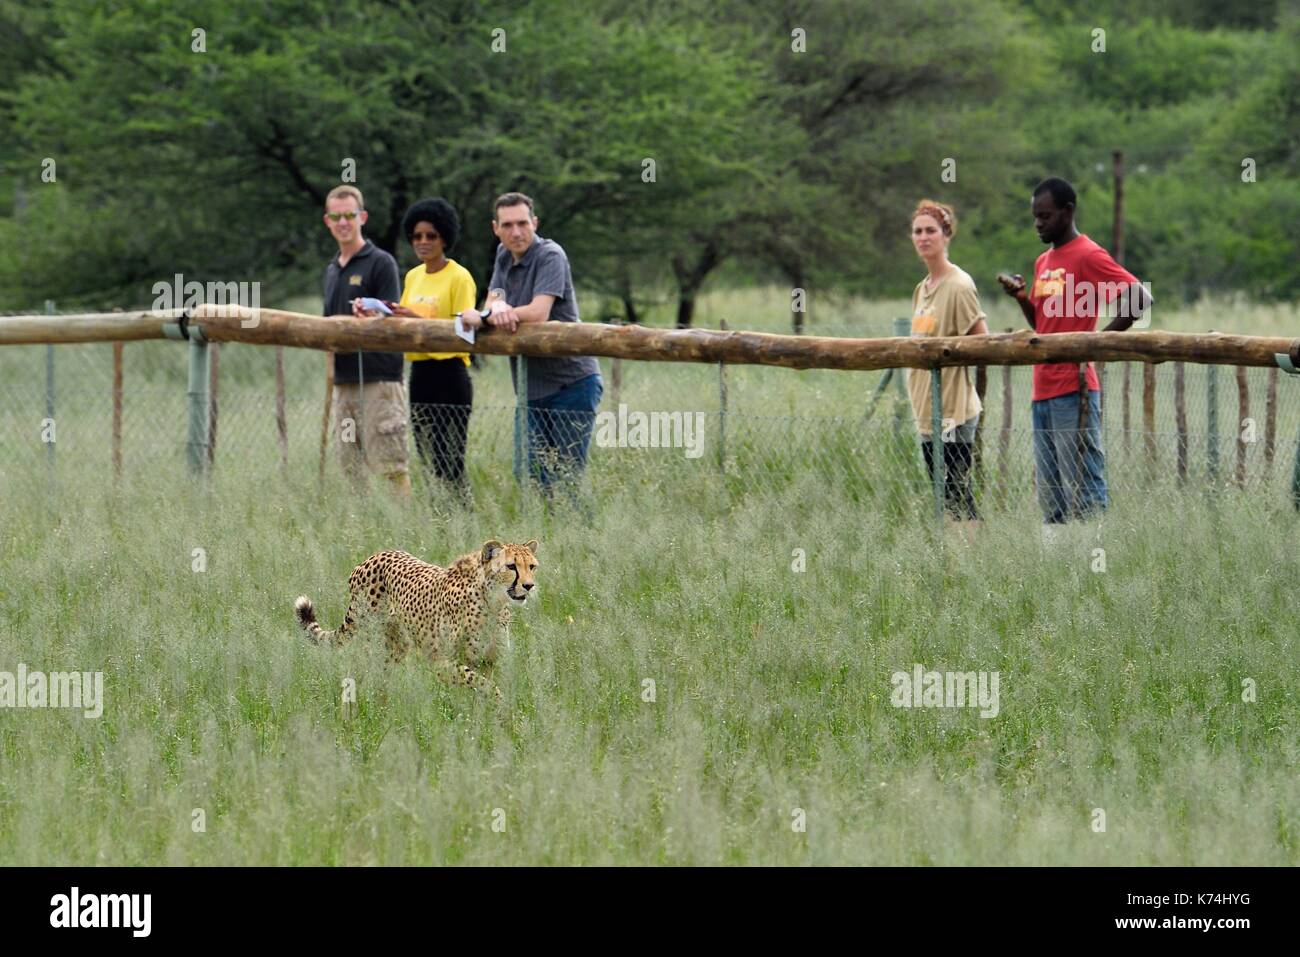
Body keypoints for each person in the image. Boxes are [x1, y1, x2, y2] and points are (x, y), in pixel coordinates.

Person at [997, 177, 1150, 534]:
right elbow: (1043, 324)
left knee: (1083, 481)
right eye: (1035, 217)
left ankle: (1097, 558)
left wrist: (1095, 343)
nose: (1038, 224)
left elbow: (1141, 299)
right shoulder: (1043, 262)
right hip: (1042, 388)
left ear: (1068, 212)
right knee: (1050, 489)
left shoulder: (1088, 255)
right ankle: (1058, 568)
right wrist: (1022, 298)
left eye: (1045, 216)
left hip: (1074, 387)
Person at [462, 192, 603, 495]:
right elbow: (495, 300)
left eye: (523, 223)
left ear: (535, 222)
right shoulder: (503, 254)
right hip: (530, 389)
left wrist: (487, 316)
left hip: (572, 383)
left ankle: (581, 539)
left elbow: (539, 313)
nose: (516, 232)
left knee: (566, 479)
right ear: (495, 228)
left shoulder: (551, 255)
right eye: (508, 224)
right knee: (529, 474)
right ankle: (544, 538)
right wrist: (495, 311)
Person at [377, 197, 476, 500]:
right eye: (416, 236)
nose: (422, 242)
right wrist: (384, 313)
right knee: (426, 454)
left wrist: (416, 318)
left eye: (430, 235)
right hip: (420, 372)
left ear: (444, 237)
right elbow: (407, 323)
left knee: (451, 457)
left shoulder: (459, 276)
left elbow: (465, 331)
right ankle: (438, 513)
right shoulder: (413, 276)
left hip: (451, 373)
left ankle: (462, 513)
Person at [321, 184, 409, 495]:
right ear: (327, 220)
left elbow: (392, 314)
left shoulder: (381, 262)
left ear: (363, 217)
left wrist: (371, 316)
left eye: (349, 215)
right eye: (336, 216)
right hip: (344, 386)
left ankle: (401, 536)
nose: (343, 222)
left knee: (389, 465)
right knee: (350, 467)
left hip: (379, 382)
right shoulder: (332, 270)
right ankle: (364, 534)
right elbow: (326, 329)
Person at [905, 199, 987, 529]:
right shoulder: (921, 289)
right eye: (917, 231)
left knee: (956, 490)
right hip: (926, 407)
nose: (923, 237)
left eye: (931, 231)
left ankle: (968, 557)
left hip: (952, 408)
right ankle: (952, 558)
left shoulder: (959, 285)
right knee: (942, 489)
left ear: (946, 235)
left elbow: (982, 341)